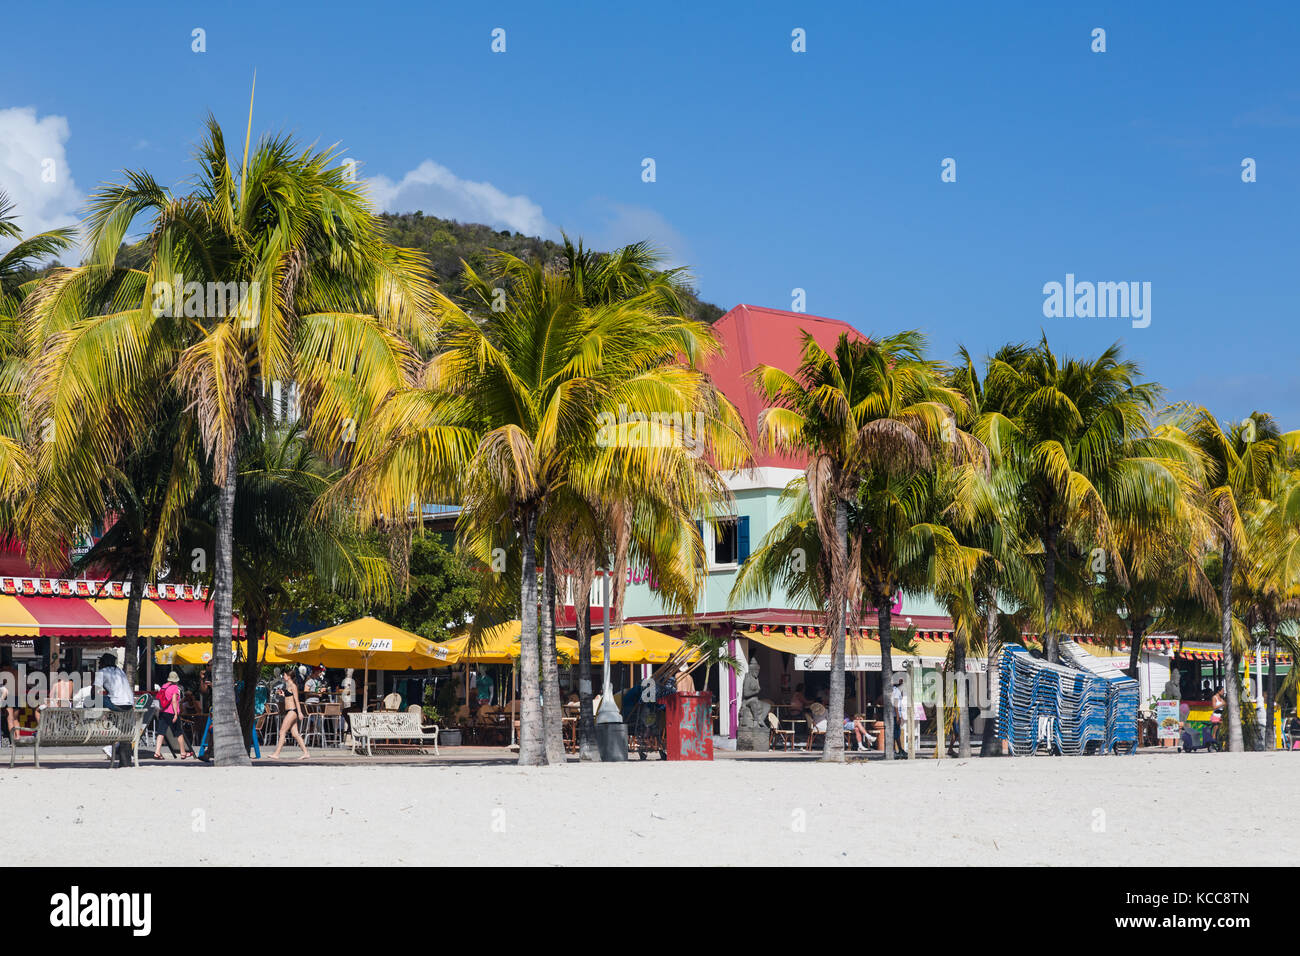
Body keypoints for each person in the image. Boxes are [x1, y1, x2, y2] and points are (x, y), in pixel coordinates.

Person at [93, 652, 135, 768]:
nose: (99, 663)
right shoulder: (120, 671)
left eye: (101, 661)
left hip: (117, 705)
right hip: (129, 705)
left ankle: (88, 723)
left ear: (104, 662)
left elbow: (94, 692)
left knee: (91, 699)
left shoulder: (101, 672)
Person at [152, 671, 194, 760]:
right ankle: (183, 753)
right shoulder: (175, 688)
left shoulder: (164, 686)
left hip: (163, 711)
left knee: (161, 732)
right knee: (179, 732)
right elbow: (174, 701)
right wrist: (175, 714)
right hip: (171, 712)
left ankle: (157, 752)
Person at [269, 668, 310, 760]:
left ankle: (276, 753)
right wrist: (283, 695)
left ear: (288, 676)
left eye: (284, 675)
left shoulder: (293, 686)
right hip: (289, 711)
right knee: (295, 734)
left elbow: (296, 700)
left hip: (292, 711)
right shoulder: (288, 685)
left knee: (282, 731)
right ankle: (306, 753)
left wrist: (299, 713)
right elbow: (289, 697)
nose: (283, 677)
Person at [890, 674, 908, 758]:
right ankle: (896, 750)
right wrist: (898, 716)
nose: (902, 682)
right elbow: (896, 704)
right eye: (901, 680)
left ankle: (900, 749)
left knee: (897, 733)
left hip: (896, 715)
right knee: (896, 733)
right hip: (895, 715)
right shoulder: (895, 691)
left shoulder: (896, 690)